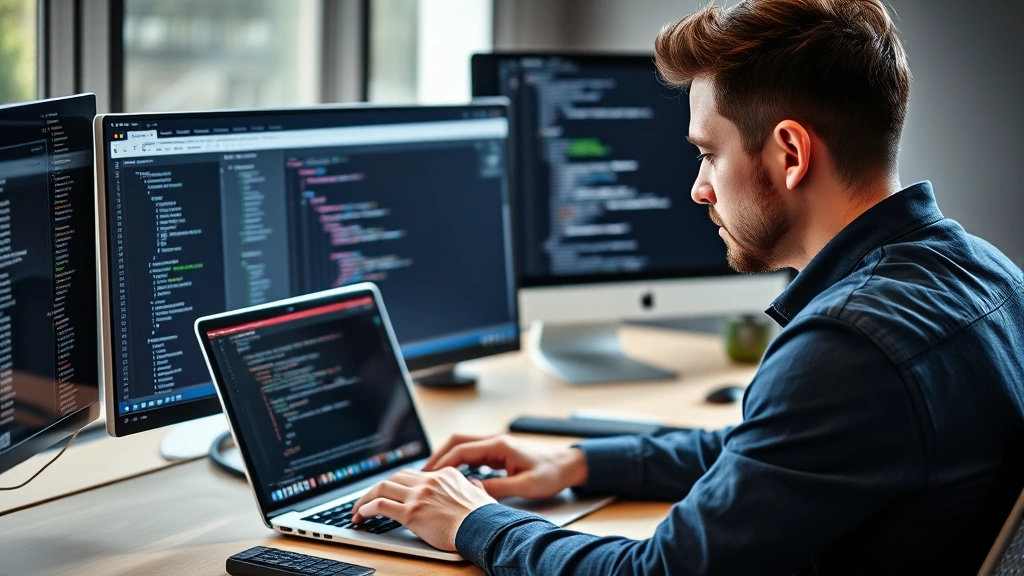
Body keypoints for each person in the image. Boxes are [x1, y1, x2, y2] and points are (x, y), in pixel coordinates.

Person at [352, 0, 1024, 572]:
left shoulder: (848, 347)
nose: (699, 188)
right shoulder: (989, 273)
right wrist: (580, 463)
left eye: (709, 152)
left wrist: (475, 523)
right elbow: (773, 453)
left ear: (790, 153)